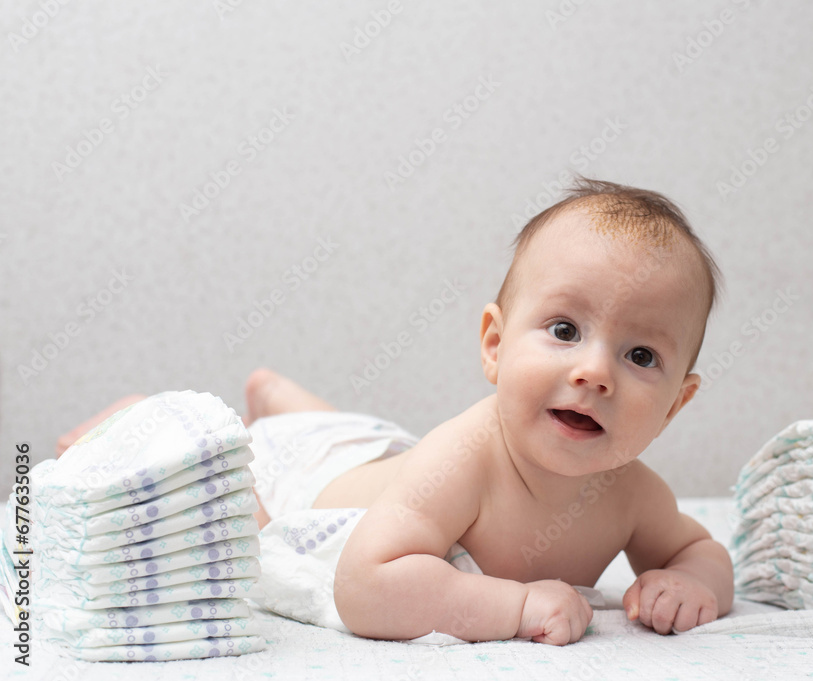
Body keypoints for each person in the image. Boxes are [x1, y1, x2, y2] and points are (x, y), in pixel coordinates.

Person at [56, 177, 733, 646]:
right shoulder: (464, 457)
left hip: (379, 451)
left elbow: (699, 549)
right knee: (234, 493)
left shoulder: (633, 492)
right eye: (563, 330)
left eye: (641, 355)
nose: (595, 371)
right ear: (494, 346)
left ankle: (280, 396)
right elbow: (365, 587)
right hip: (316, 486)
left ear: (677, 402)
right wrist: (514, 604)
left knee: (352, 434)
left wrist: (690, 582)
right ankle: (149, 413)